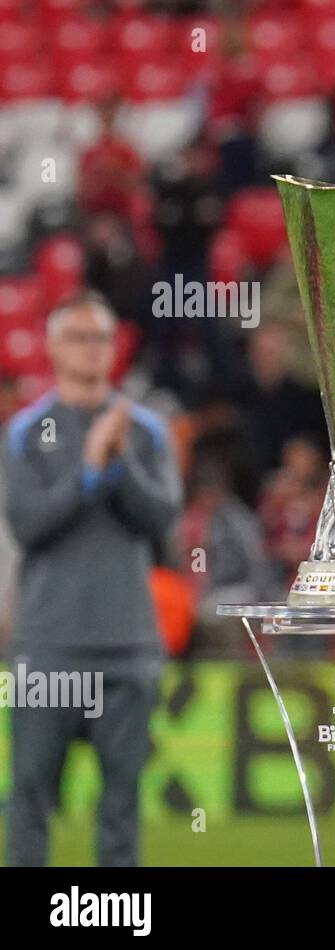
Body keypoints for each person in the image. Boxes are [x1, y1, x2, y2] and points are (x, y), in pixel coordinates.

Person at [3, 291, 182, 867]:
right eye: (78, 337)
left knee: (122, 802)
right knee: (30, 795)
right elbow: (29, 525)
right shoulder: (28, 430)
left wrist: (116, 460)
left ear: (115, 348)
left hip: (128, 646)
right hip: (49, 645)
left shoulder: (146, 430)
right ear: (54, 346)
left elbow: (161, 521)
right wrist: (87, 471)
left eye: (101, 337)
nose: (91, 349)